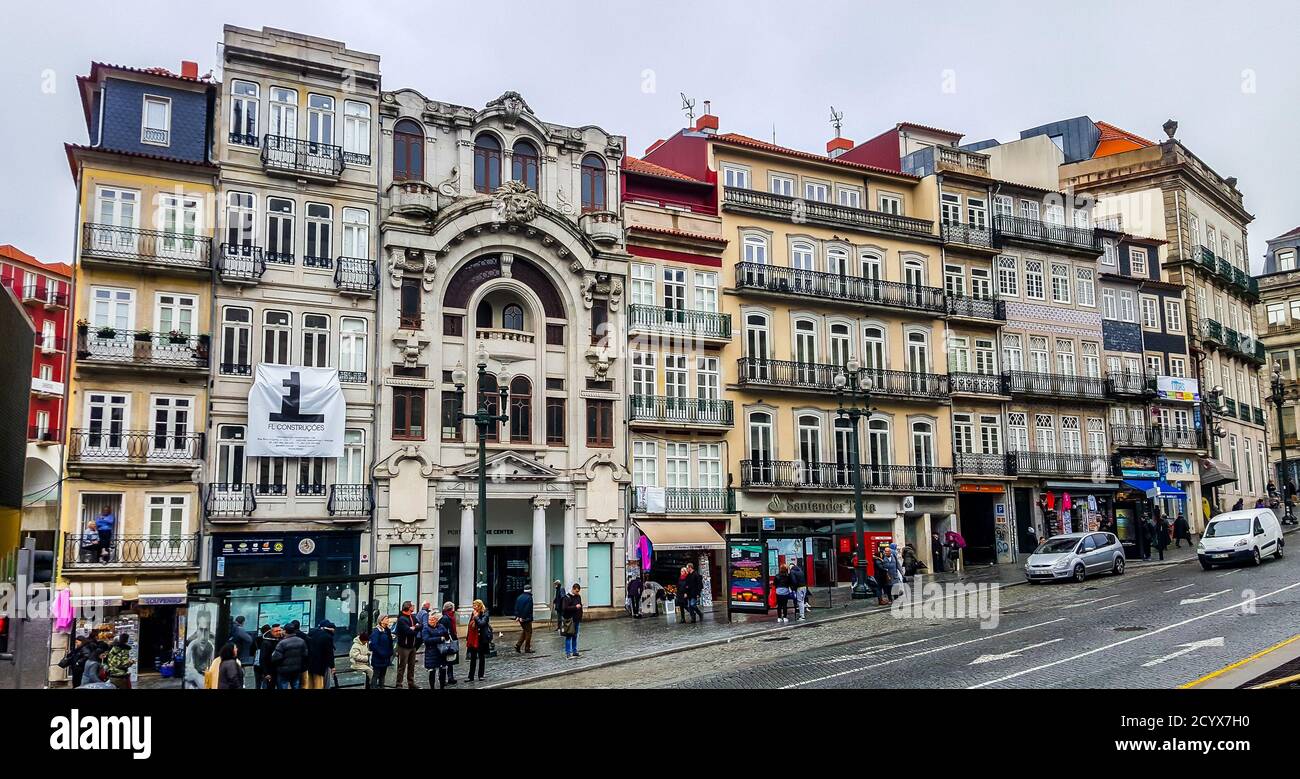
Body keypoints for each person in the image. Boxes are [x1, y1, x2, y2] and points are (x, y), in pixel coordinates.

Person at [271, 621, 308, 689]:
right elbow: (305, 655)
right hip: (297, 669)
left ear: (285, 631)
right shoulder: (301, 641)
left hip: (283, 671)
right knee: (295, 685)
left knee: (283, 685)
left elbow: (275, 658)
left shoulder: (282, 643)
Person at [394, 601, 420, 690]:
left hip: (412, 646)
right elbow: (408, 632)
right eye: (412, 606)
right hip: (404, 647)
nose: (413, 607)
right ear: (408, 607)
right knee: (402, 666)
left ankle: (411, 683)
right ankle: (399, 684)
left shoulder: (413, 616)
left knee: (412, 666)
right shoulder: (401, 619)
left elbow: (421, 626)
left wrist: (415, 627)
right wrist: (414, 629)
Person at [305, 620, 337, 689]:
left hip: (309, 662)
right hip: (320, 664)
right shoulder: (327, 637)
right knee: (318, 683)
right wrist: (332, 667)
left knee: (310, 684)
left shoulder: (312, 633)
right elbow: (329, 654)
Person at [466, 599, 492, 681]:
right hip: (473, 638)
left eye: (475, 606)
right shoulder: (473, 613)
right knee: (473, 658)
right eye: (473, 605)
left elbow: (482, 623)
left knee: (481, 657)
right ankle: (471, 676)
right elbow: (470, 626)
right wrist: (468, 637)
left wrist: (476, 617)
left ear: (479, 606)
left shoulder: (485, 613)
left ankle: (481, 675)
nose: (474, 607)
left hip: (481, 638)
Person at [369, 615, 394, 688]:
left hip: (386, 657)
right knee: (376, 675)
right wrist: (382, 653)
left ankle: (382, 687)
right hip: (378, 658)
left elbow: (389, 642)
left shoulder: (387, 630)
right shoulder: (376, 631)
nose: (388, 620)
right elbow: (374, 645)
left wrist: (390, 652)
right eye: (386, 619)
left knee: (383, 675)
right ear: (381, 621)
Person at [256, 625, 282, 690]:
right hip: (270, 670)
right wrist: (266, 673)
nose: (278, 632)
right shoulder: (266, 643)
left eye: (279, 630)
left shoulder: (281, 640)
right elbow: (262, 658)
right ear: (271, 632)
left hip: (280, 669)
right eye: (276, 631)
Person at [562, 583, 583, 658]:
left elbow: (580, 606)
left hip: (576, 619)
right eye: (576, 591)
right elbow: (565, 608)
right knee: (569, 636)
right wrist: (575, 607)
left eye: (578, 591)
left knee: (575, 636)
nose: (577, 593)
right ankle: (568, 652)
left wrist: (580, 617)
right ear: (573, 589)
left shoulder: (578, 597)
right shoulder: (567, 597)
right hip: (570, 620)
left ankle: (574, 651)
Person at [513, 585, 535, 653]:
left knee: (525, 631)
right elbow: (527, 609)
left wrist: (517, 616)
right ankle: (527, 648)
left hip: (520, 618)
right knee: (529, 632)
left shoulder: (519, 597)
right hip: (526, 618)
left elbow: (516, 607)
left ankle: (518, 645)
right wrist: (523, 617)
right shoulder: (529, 597)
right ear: (530, 590)